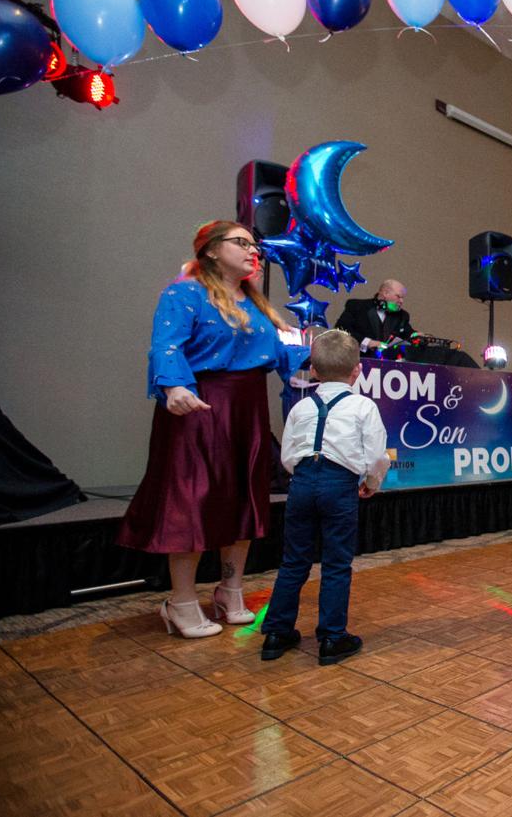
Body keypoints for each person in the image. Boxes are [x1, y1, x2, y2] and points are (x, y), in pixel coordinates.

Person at [118, 220, 308, 638]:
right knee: (190, 502)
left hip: (247, 408)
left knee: (244, 499)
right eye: (241, 242)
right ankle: (180, 602)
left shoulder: (257, 304)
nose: (252, 250)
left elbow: (284, 354)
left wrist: (322, 360)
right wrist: (173, 385)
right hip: (199, 406)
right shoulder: (185, 292)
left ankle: (230, 590)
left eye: (255, 245)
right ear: (209, 249)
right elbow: (165, 344)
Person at [261, 330, 389, 666]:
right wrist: (371, 482)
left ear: (313, 371)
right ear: (357, 370)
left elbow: (288, 455)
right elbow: (376, 455)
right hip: (339, 485)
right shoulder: (363, 406)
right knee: (335, 563)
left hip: (302, 484)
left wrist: (304, 476)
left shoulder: (301, 407)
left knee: (294, 560)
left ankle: (277, 632)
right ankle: (332, 637)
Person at [336, 279, 416, 352]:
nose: (401, 301)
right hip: (356, 359)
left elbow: (408, 333)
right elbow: (340, 329)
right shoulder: (357, 306)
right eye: (398, 296)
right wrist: (367, 342)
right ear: (385, 293)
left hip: (387, 364)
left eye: (402, 298)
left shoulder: (402, 316)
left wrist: (417, 335)